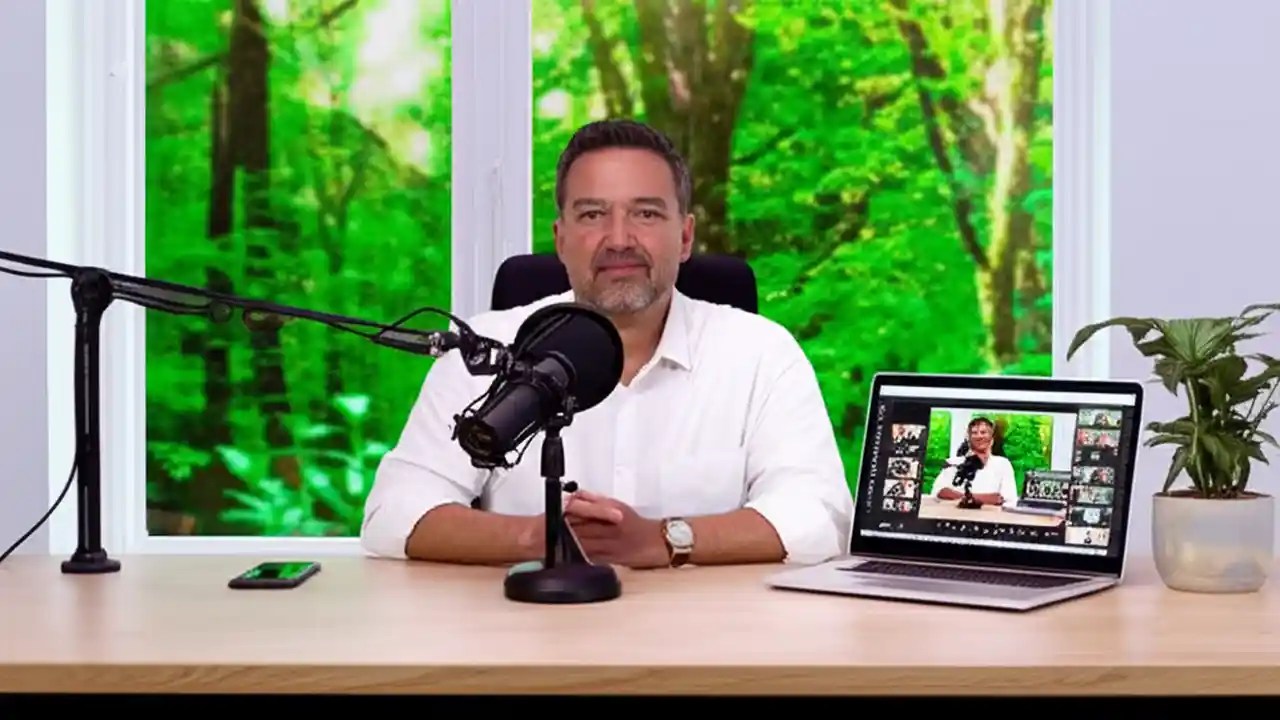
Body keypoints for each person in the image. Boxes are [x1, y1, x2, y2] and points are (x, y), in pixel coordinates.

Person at [360, 119, 852, 569]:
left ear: (684, 237)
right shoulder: (487, 351)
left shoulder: (761, 354)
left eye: (646, 214)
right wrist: (538, 538)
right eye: (593, 214)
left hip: (707, 649)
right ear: (560, 237)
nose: (619, 238)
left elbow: (820, 516)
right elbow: (393, 514)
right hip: (527, 643)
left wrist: (663, 540)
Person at [929, 416, 1018, 506]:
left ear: (992, 439)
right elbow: (939, 492)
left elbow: (1005, 499)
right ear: (969, 439)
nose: (979, 436)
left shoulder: (1003, 464)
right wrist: (981, 498)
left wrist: (960, 497)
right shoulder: (954, 463)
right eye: (974, 433)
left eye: (983, 432)